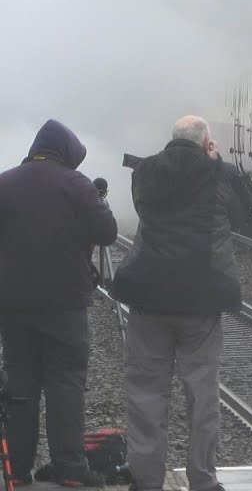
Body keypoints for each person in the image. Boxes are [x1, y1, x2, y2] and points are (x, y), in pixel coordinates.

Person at [114, 116, 248, 491]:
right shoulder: (220, 175)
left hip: (149, 300)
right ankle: (203, 480)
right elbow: (243, 214)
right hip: (200, 303)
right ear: (206, 142)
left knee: (145, 394)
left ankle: (145, 480)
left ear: (171, 141)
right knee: (203, 395)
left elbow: (143, 208)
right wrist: (215, 161)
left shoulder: (146, 172)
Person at [0, 119, 118, 488]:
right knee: (65, 384)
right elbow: (108, 232)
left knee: (19, 386)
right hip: (64, 305)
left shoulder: (5, 182)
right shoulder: (75, 184)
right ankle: (70, 470)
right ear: (67, 154)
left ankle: (15, 471)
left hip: (13, 305)